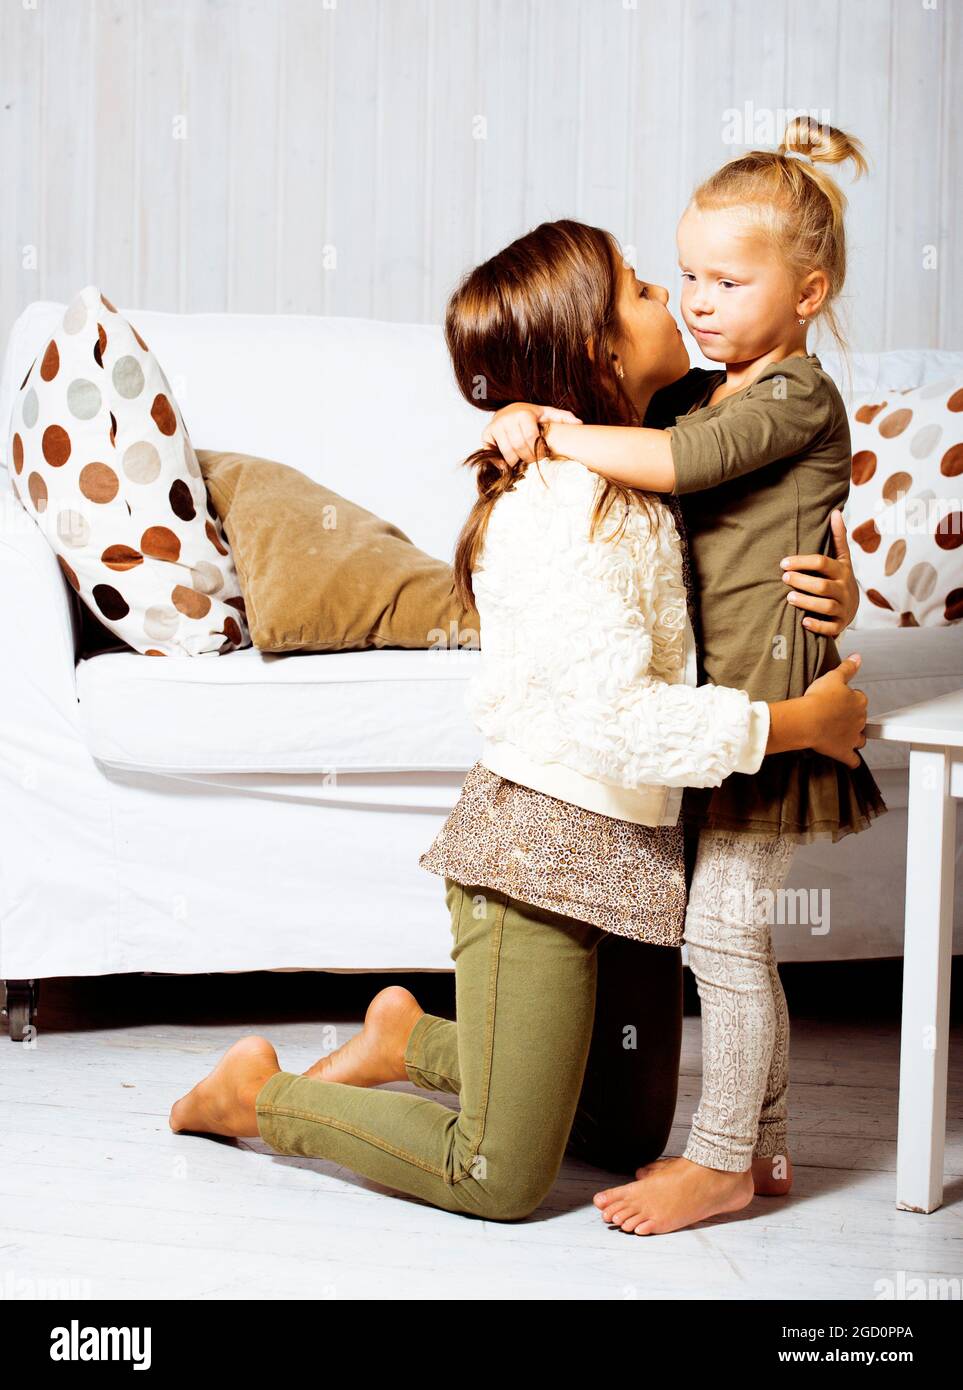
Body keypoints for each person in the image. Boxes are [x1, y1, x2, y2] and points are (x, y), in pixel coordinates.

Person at [170, 214, 867, 1227]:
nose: (670, 297)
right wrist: (795, 726)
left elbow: (759, 545)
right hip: (536, 852)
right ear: (597, 349)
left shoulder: (660, 452)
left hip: (633, 855)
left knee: (623, 1132)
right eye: (641, 288)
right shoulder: (556, 508)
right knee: (499, 1174)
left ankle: (410, 1037)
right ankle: (259, 1097)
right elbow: (621, 721)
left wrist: (835, 593)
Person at [482, 119, 886, 1234]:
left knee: (721, 935)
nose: (698, 300)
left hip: (779, 711)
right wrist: (526, 411)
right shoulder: (696, 390)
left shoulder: (794, 395)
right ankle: (761, 1142)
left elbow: (675, 467)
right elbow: (633, 423)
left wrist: (553, 438)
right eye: (688, 275)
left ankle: (718, 1160)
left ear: (807, 295)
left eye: (728, 280)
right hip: (724, 715)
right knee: (730, 932)